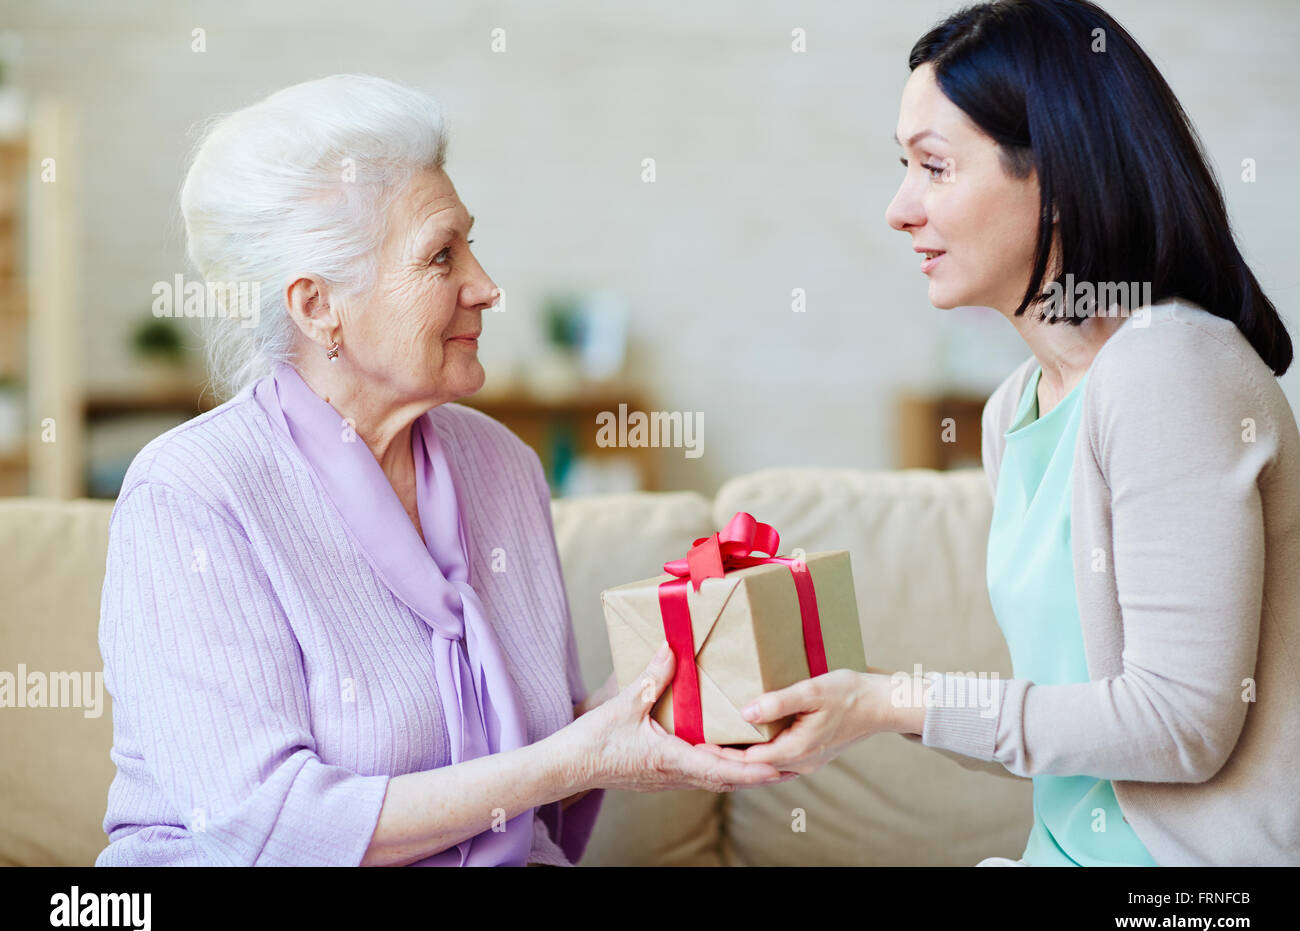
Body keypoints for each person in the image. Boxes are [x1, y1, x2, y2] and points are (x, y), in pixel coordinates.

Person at [95, 74, 789, 868]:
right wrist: (580, 755)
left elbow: (531, 765)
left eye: (471, 244)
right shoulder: (192, 494)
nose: (487, 288)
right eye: (440, 256)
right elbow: (265, 828)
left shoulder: (502, 466)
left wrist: (648, 707)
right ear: (318, 306)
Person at [717, 0, 1300, 866]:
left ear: (1056, 181)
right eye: (903, 167)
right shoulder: (1016, 409)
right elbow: (1081, 729)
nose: (900, 209)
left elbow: (1181, 727)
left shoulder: (1167, 367)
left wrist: (891, 703)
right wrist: (858, 703)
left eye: (934, 168)